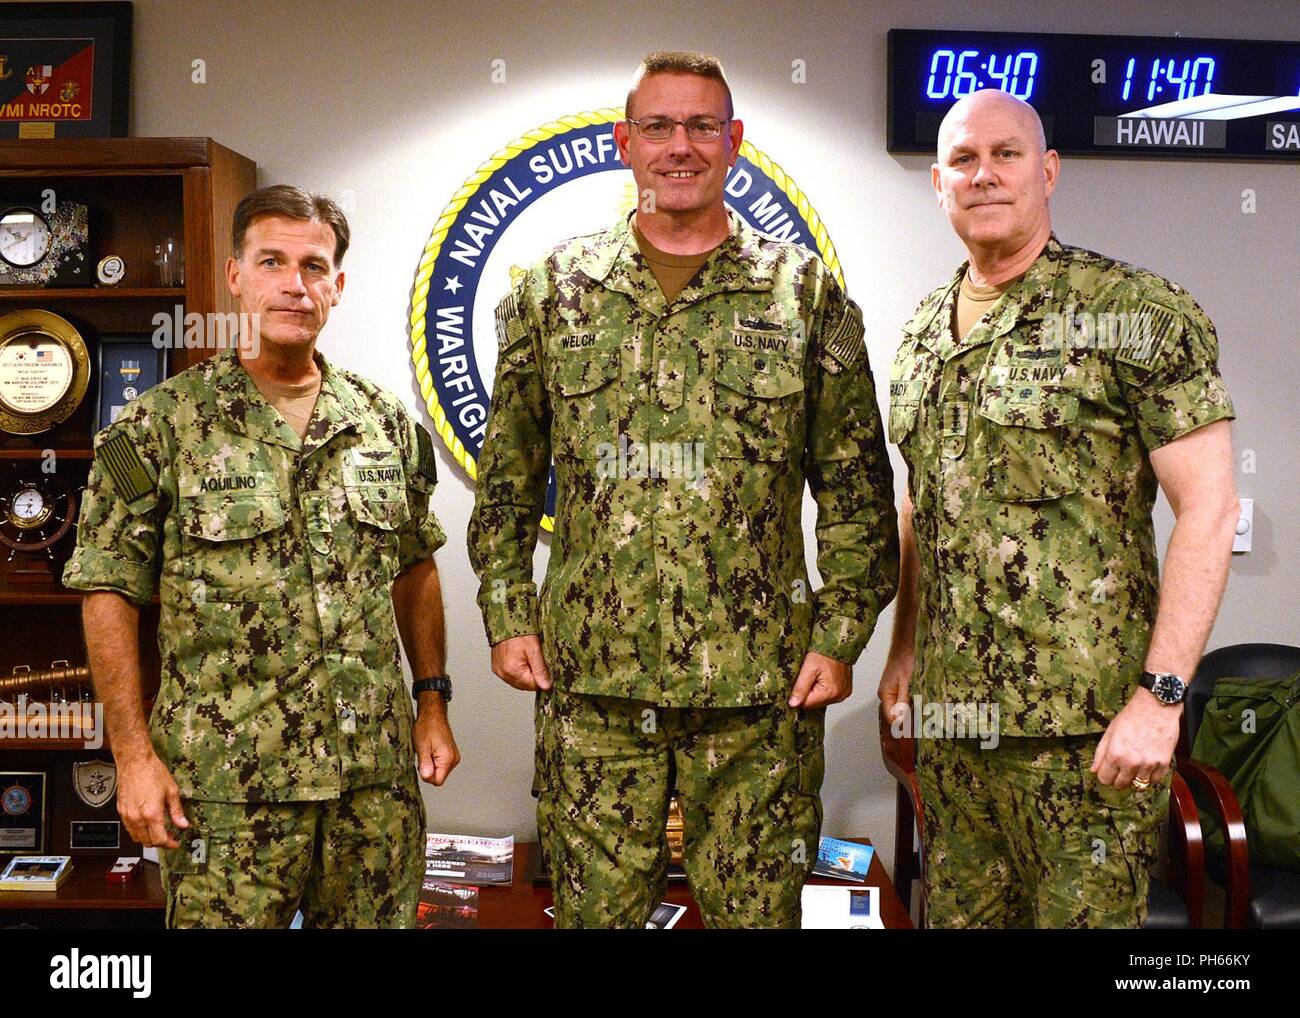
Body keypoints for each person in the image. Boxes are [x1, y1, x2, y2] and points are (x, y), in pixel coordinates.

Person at [468, 51, 898, 928]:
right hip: (595, 688)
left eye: (703, 126)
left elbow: (856, 487)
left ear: (734, 142)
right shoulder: (553, 290)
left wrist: (841, 636)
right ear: (626, 143)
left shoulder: (803, 293)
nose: (681, 146)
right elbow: (507, 481)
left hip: (761, 694)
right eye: (659, 127)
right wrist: (508, 611)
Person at [878, 89, 1240, 928]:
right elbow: (923, 504)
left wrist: (1161, 697)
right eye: (964, 160)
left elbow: (1210, 509)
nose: (985, 175)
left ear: (1047, 172)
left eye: (1007, 155)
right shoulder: (924, 335)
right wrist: (903, 649)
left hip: (1089, 740)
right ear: (939, 184)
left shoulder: (1134, 312)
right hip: (956, 731)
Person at [64, 185, 459, 928]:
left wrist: (432, 701)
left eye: (314, 265)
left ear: (337, 286)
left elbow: (415, 568)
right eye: (271, 260)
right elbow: (108, 591)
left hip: (369, 789)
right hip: (224, 793)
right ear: (235, 276)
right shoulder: (161, 426)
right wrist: (132, 756)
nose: (294, 283)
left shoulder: (383, 425)